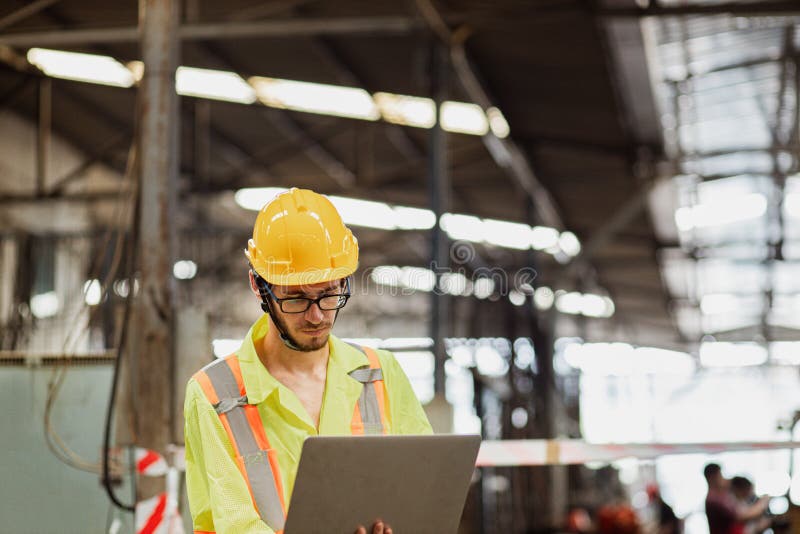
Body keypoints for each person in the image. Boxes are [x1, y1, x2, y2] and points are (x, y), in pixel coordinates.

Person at [184, 188, 433, 534]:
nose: (316, 316)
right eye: (296, 298)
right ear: (259, 287)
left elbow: (422, 491)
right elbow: (233, 524)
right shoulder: (213, 395)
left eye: (329, 293)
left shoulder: (380, 374)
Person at [704, 463, 769, 534]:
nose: (723, 479)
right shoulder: (715, 499)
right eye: (720, 476)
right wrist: (762, 504)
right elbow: (741, 516)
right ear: (712, 478)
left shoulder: (716, 497)